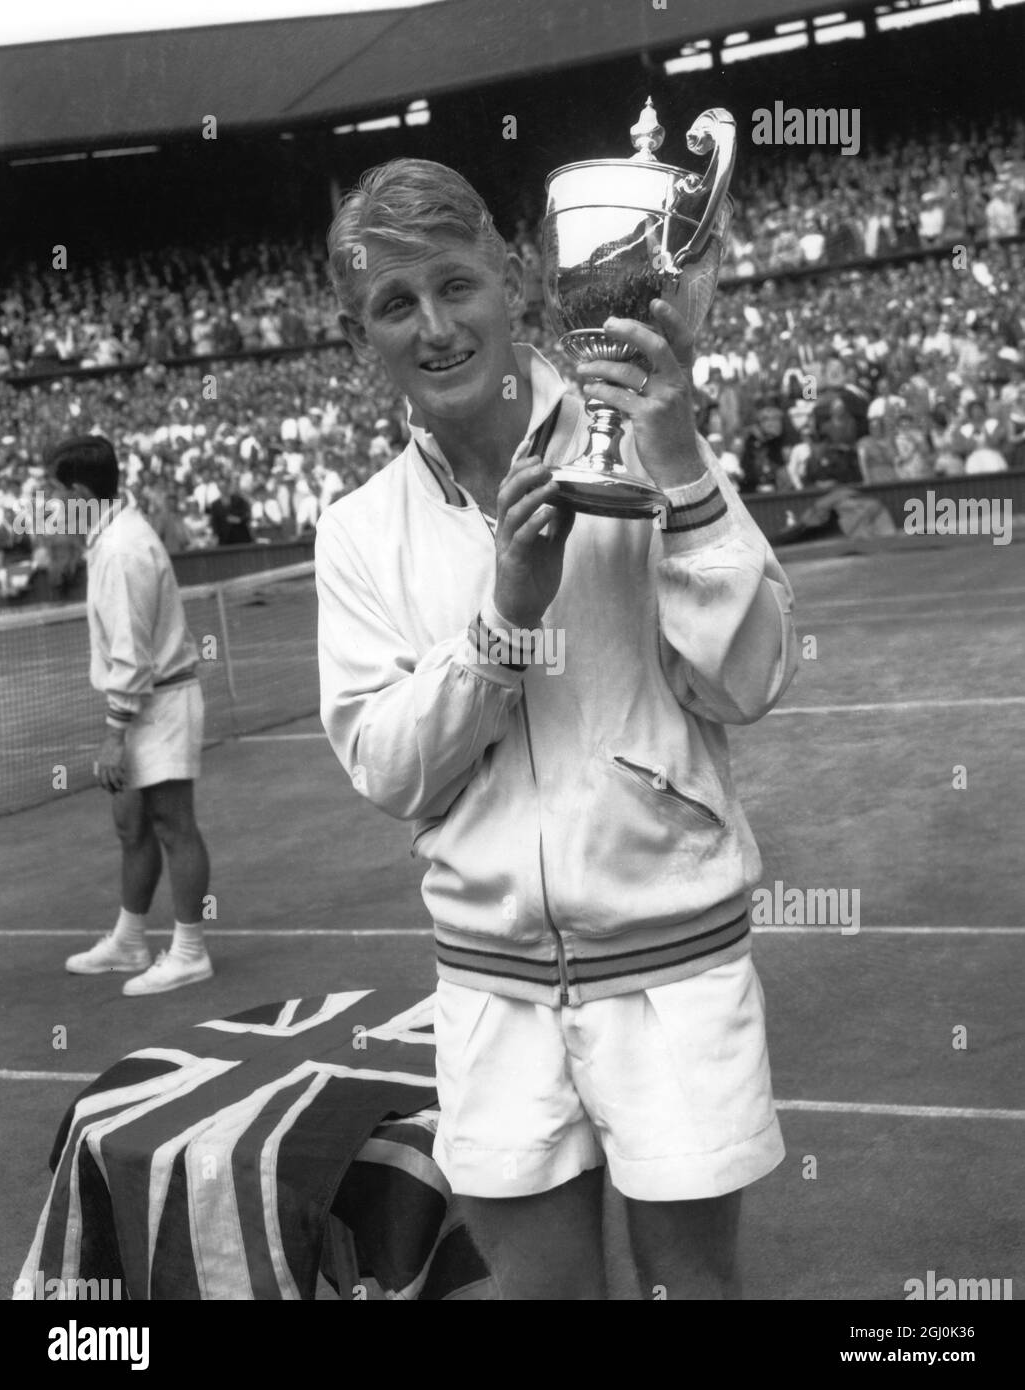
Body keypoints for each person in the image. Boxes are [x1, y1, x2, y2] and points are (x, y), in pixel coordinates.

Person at [316, 159, 798, 1300]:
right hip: (489, 989)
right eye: (396, 304)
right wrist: (503, 620)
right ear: (359, 337)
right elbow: (386, 767)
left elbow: (752, 679)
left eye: (456, 285)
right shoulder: (357, 531)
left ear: (519, 282)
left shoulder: (639, 435)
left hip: (672, 968)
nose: (436, 327)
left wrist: (679, 466)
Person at [54, 435, 214, 996]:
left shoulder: (122, 549)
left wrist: (113, 736)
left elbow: (133, 655)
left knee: (173, 824)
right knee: (132, 825)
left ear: (78, 491)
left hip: (161, 704)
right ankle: (129, 940)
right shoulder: (108, 540)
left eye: (57, 496)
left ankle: (191, 950)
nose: (53, 508)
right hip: (144, 701)